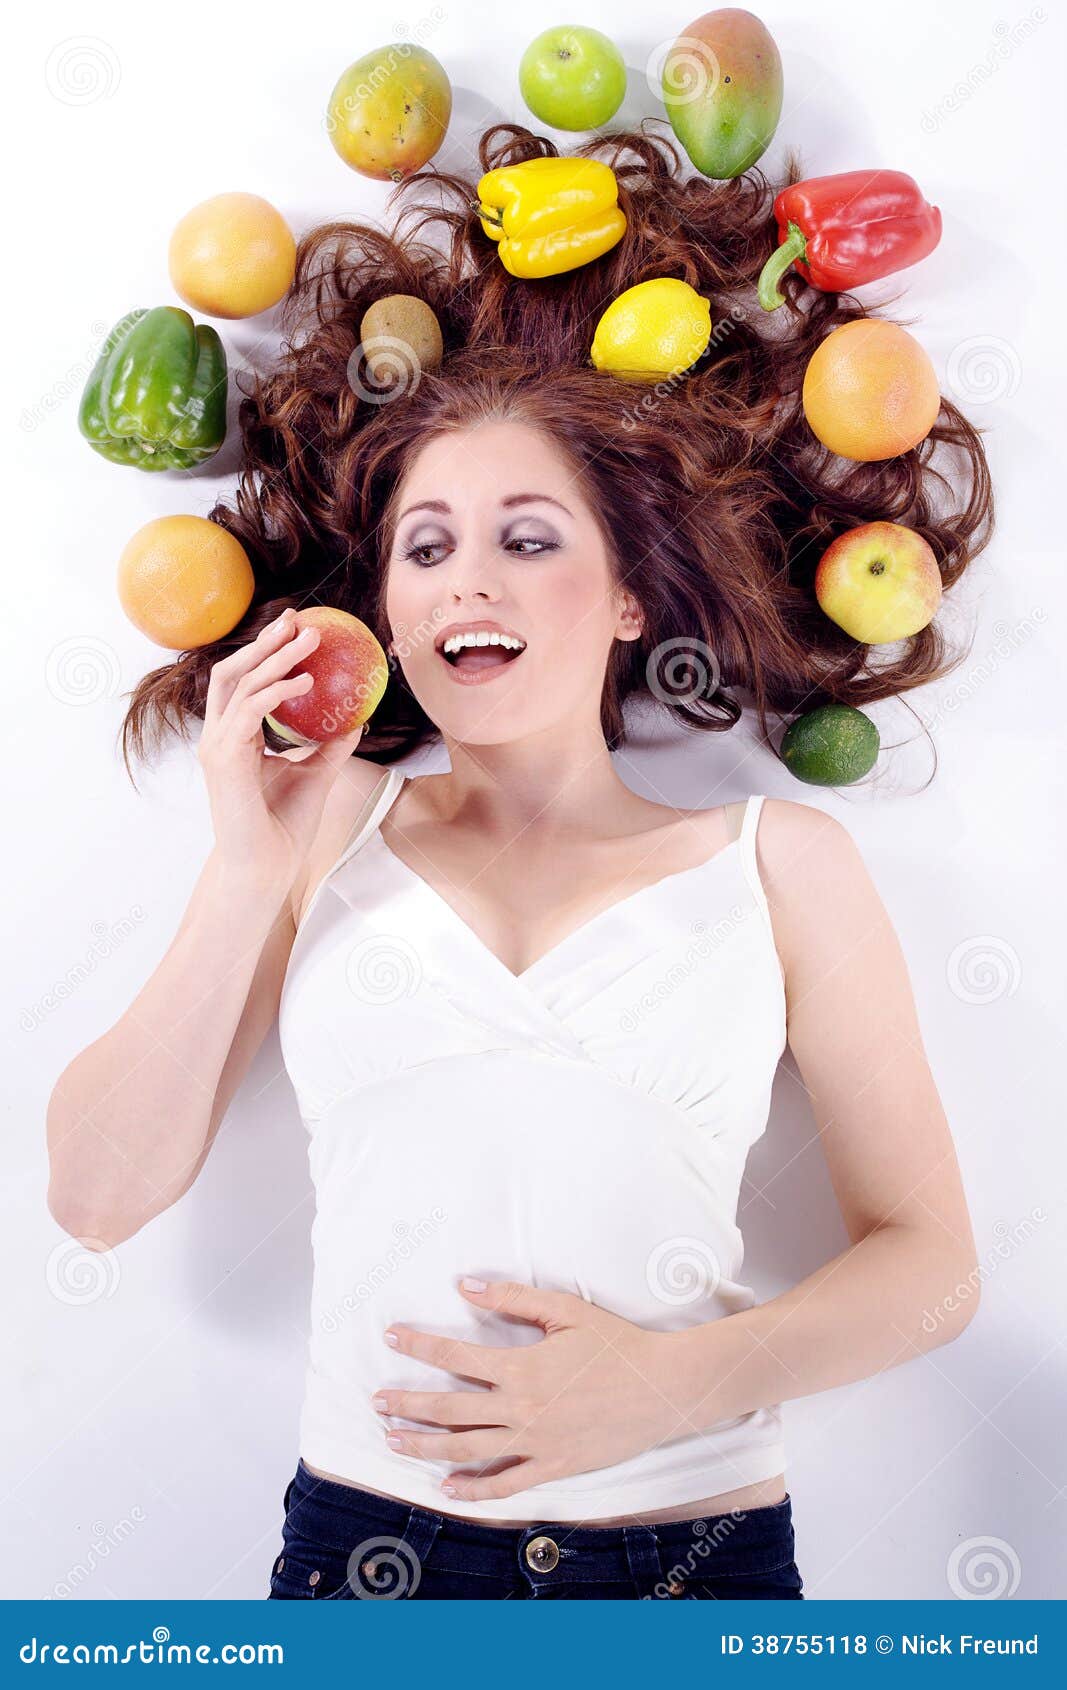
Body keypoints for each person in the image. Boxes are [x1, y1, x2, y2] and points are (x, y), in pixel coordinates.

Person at [46, 124, 993, 1600]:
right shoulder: (316, 838)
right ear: (391, 608)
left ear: (627, 600)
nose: (467, 579)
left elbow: (933, 1266)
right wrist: (241, 871)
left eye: (529, 539)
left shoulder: (779, 862)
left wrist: (673, 1384)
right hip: (370, 1563)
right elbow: (94, 1198)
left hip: (694, 1566)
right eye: (425, 549)